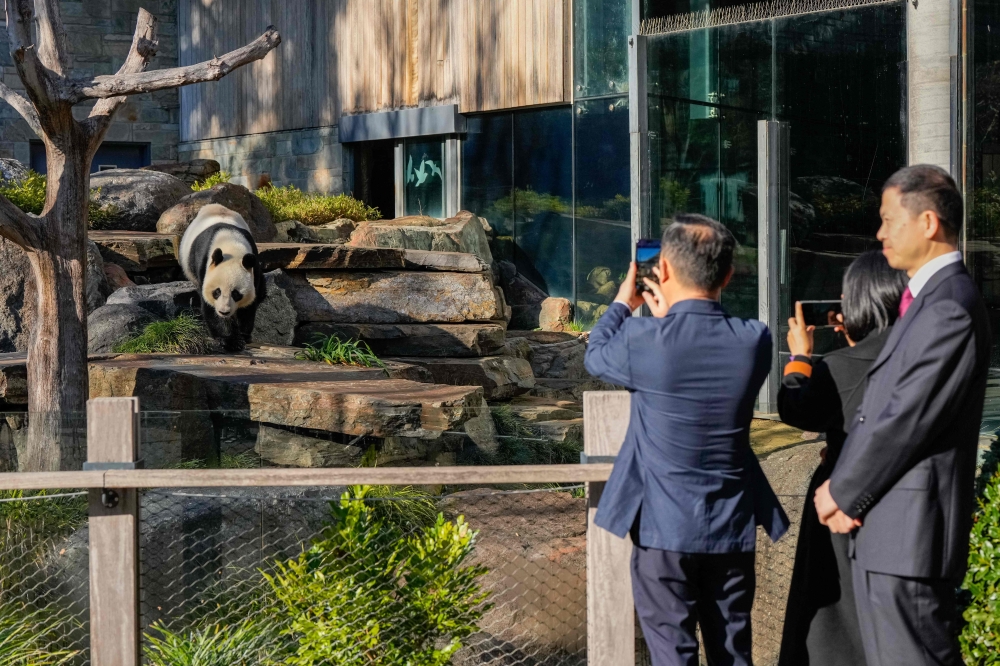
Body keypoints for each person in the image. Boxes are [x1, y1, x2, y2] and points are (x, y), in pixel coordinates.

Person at [585, 213, 790, 666]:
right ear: (730, 276)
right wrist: (669, 320)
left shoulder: (642, 337)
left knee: (673, 657)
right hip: (732, 527)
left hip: (662, 529)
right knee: (733, 654)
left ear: (664, 272)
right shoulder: (754, 340)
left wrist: (625, 301)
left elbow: (596, 355)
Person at [814, 165, 991, 666]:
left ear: (929, 223)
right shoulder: (926, 301)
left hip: (910, 536)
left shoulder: (949, 306)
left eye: (890, 220)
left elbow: (904, 417)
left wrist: (844, 488)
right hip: (891, 534)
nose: (880, 233)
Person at [776, 251, 908, 666]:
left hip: (841, 499)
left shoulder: (838, 367)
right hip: (904, 505)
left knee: (832, 620)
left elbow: (796, 408)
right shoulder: (920, 356)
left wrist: (800, 357)